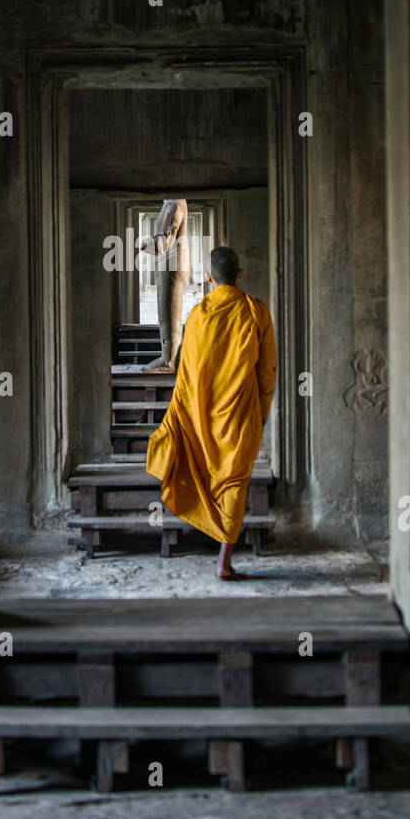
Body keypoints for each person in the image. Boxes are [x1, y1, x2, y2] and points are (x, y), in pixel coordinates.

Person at [146, 246, 277, 579]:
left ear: (208, 277)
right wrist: (262, 410)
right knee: (233, 481)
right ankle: (224, 560)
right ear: (240, 274)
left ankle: (214, 544)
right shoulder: (256, 311)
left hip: (202, 413)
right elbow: (267, 370)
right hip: (242, 414)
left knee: (209, 474)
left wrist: (183, 412)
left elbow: (188, 374)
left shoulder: (199, 315)